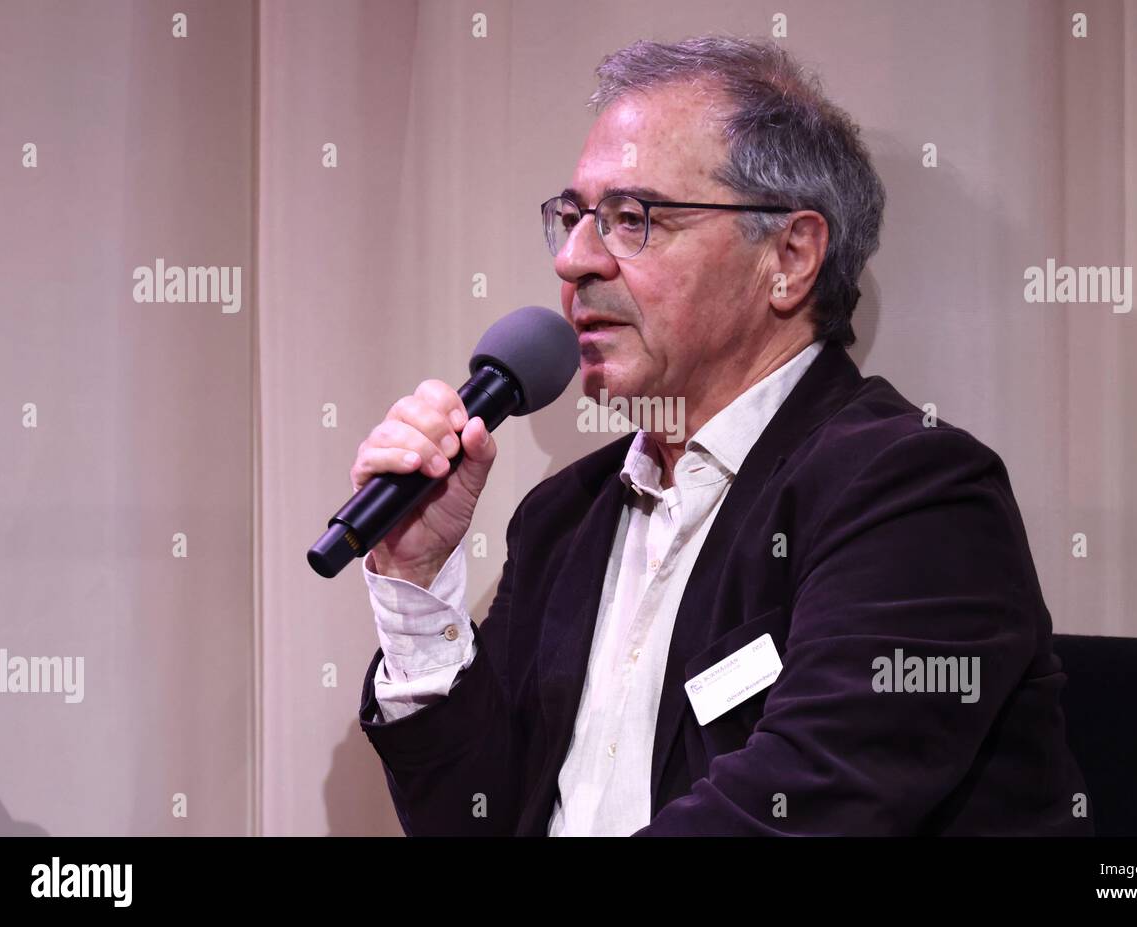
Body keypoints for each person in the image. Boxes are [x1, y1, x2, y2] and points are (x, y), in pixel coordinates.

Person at [350, 35, 1091, 836]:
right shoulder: (563, 517)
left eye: (630, 218)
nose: (571, 260)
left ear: (790, 256)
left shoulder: (916, 493)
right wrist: (418, 584)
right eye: (571, 218)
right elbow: (480, 820)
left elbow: (796, 814)